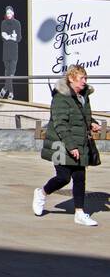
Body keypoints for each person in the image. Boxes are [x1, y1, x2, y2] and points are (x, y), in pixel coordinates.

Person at [34, 64, 102, 227]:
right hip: (61, 142)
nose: (85, 82)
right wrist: (71, 146)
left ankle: (80, 213)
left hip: (81, 141)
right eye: (82, 78)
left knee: (80, 177)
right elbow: (60, 124)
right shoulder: (61, 97)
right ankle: (42, 193)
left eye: (86, 78)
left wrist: (91, 123)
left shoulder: (84, 95)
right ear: (71, 79)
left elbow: (84, 116)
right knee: (63, 177)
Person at [0, 7, 22, 99]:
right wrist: (11, 37)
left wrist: (10, 37)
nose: (8, 15)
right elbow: (3, 36)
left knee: (11, 72)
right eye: (7, 13)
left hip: (14, 51)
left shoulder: (17, 23)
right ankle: (9, 91)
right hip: (6, 50)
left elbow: (19, 38)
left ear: (13, 13)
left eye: (10, 13)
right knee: (7, 71)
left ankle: (7, 90)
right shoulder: (3, 23)